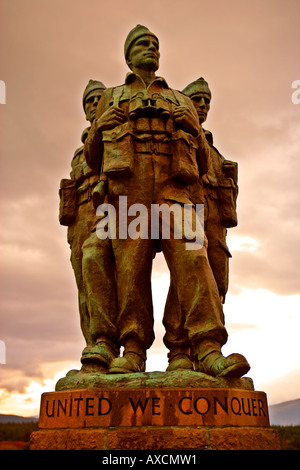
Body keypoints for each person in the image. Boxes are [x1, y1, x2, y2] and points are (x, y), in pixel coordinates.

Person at [84, 25, 249, 378]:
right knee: (131, 271)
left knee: (195, 259)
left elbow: (203, 162)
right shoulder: (111, 97)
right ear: (129, 55)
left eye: (155, 44)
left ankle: (207, 348)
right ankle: (132, 350)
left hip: (175, 191)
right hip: (128, 190)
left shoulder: (180, 99)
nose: (150, 49)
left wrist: (193, 127)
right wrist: (99, 129)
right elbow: (91, 158)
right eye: (142, 44)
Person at [59, 80, 119, 372]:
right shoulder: (78, 151)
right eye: (89, 102)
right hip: (80, 216)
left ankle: (110, 343)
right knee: (85, 283)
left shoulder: (116, 134)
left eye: (98, 98)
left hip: (108, 210)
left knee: (106, 273)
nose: (94, 104)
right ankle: (94, 347)